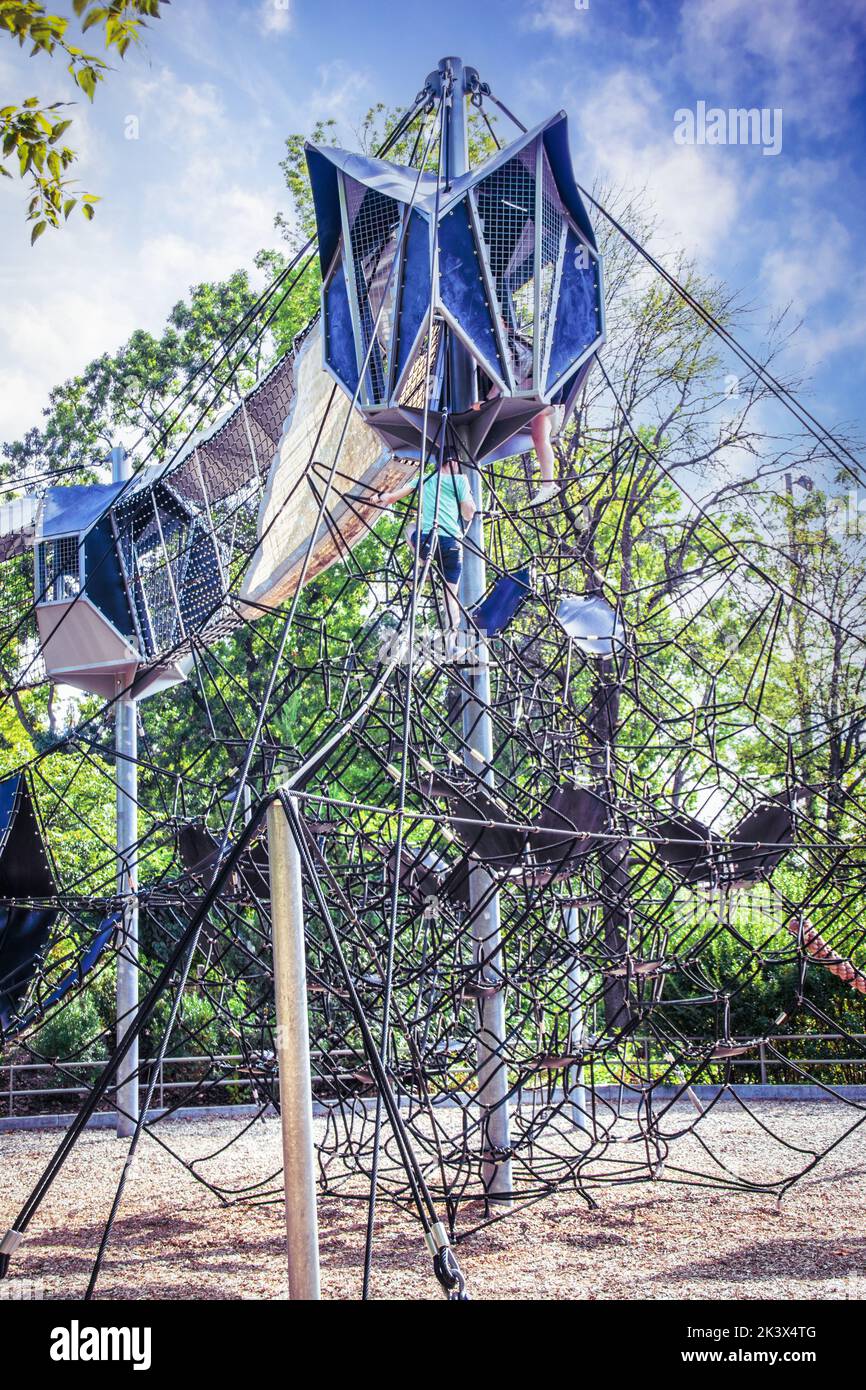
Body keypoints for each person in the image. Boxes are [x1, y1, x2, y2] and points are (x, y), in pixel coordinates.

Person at [373, 451, 475, 649]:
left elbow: (391, 498)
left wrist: (378, 497)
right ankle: (452, 643)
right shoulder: (460, 480)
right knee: (450, 598)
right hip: (453, 546)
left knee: (410, 528)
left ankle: (422, 563)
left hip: (429, 542)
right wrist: (467, 499)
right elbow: (469, 514)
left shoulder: (425, 478)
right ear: (452, 461)